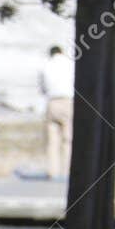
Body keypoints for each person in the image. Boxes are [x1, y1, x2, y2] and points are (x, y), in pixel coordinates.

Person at [38, 44, 74, 180]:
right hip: (68, 101)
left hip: (52, 102)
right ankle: (67, 170)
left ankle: (52, 171)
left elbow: (42, 88)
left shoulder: (46, 66)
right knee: (68, 139)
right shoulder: (70, 64)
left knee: (52, 141)